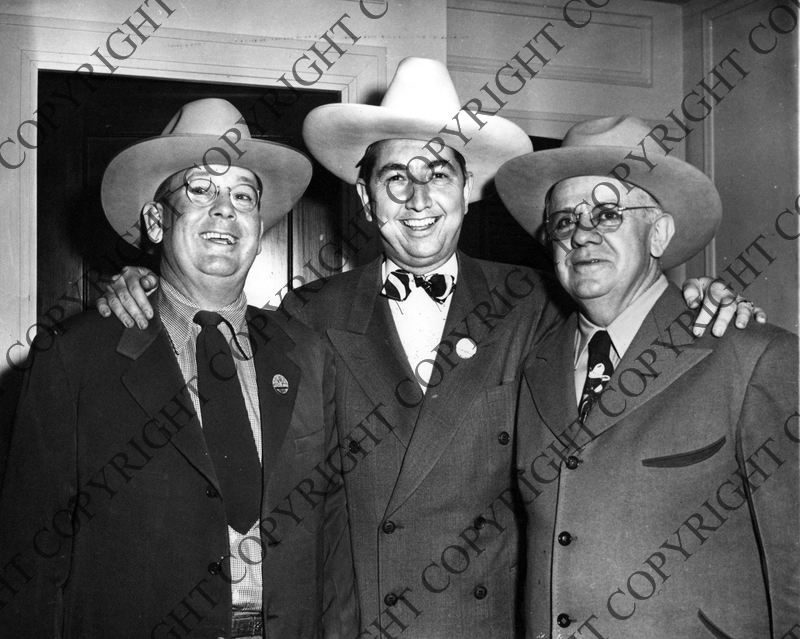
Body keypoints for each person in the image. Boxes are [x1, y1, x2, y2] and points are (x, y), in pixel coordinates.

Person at [96, 61, 762, 637]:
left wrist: (698, 297)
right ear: (363, 198)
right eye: (394, 180)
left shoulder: (539, 303)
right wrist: (146, 289)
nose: (418, 199)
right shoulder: (307, 315)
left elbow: (627, 320)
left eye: (438, 174)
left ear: (468, 190)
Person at [0, 98, 357, 638]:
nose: (224, 210)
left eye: (243, 195)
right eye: (200, 190)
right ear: (155, 220)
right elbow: (31, 554)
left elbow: (332, 526)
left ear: (258, 226)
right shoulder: (75, 357)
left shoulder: (307, 351)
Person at [496, 115, 799, 639]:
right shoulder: (531, 365)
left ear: (658, 232)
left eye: (609, 212)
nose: (582, 233)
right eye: (565, 221)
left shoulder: (752, 358)